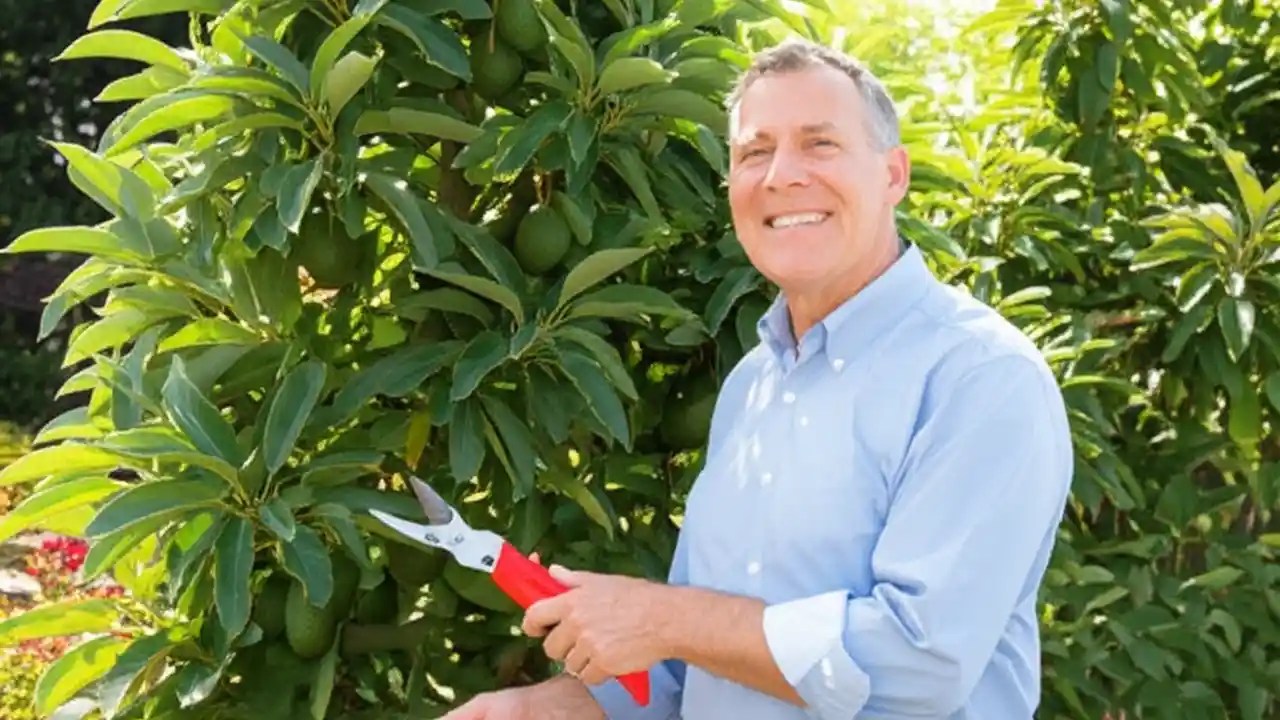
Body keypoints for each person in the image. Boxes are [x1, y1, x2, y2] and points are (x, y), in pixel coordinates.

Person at [442, 37, 1074, 719]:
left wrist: (662, 617)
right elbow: (694, 668)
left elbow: (919, 660)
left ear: (893, 175)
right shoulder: (752, 386)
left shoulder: (980, 378)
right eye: (754, 152)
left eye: (820, 144)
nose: (781, 175)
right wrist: (540, 709)